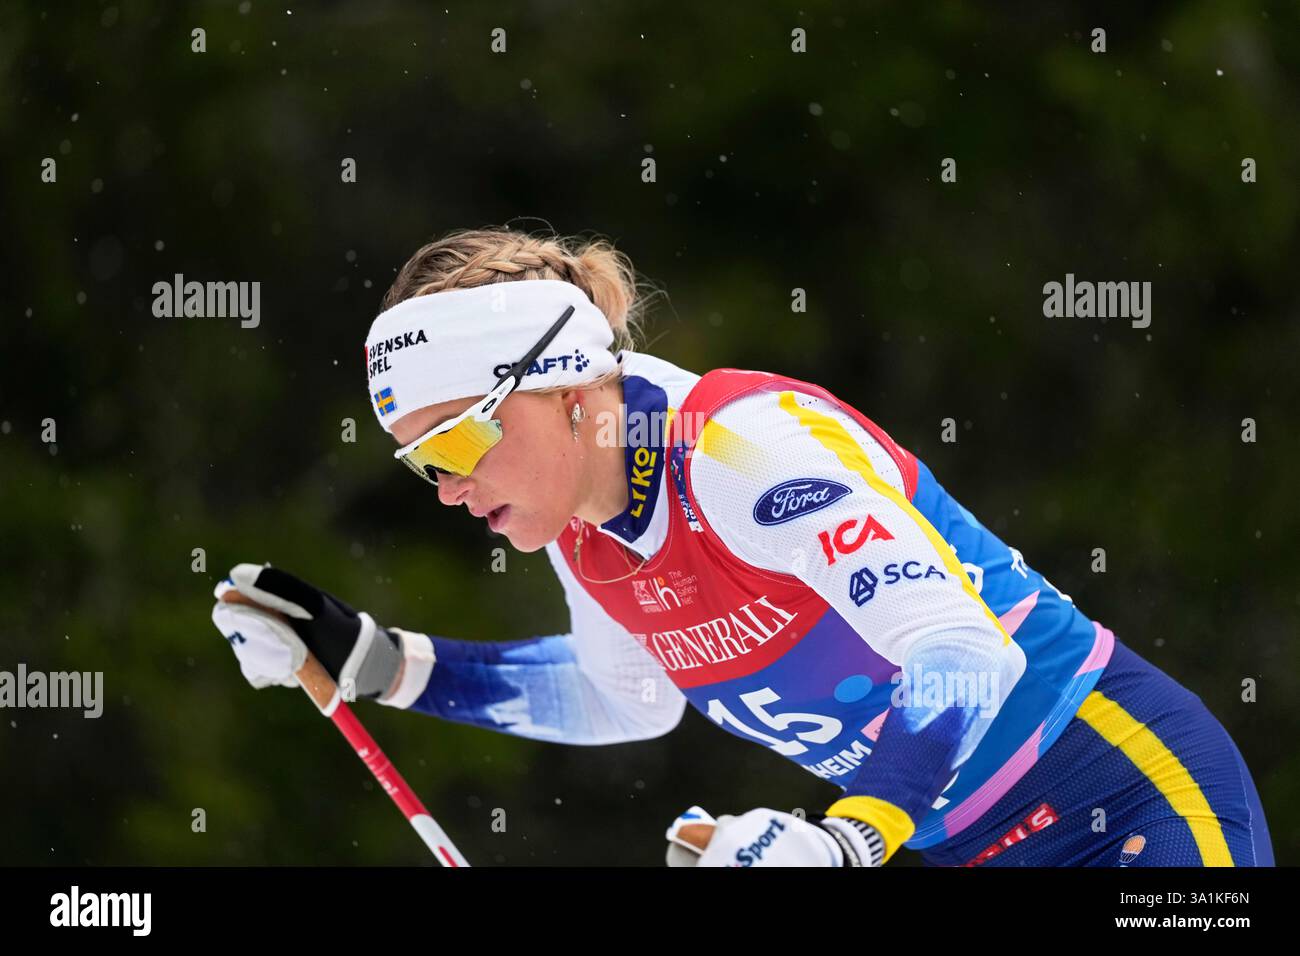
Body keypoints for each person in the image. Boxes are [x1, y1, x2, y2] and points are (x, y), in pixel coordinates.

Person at [212, 228, 1273, 867]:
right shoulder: (582, 524)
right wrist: (377, 663)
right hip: (964, 843)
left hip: (1123, 793)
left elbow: (962, 648)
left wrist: (846, 838)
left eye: (455, 439)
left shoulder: (736, 446)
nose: (444, 484)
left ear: (571, 388)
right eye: (417, 460)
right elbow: (627, 696)